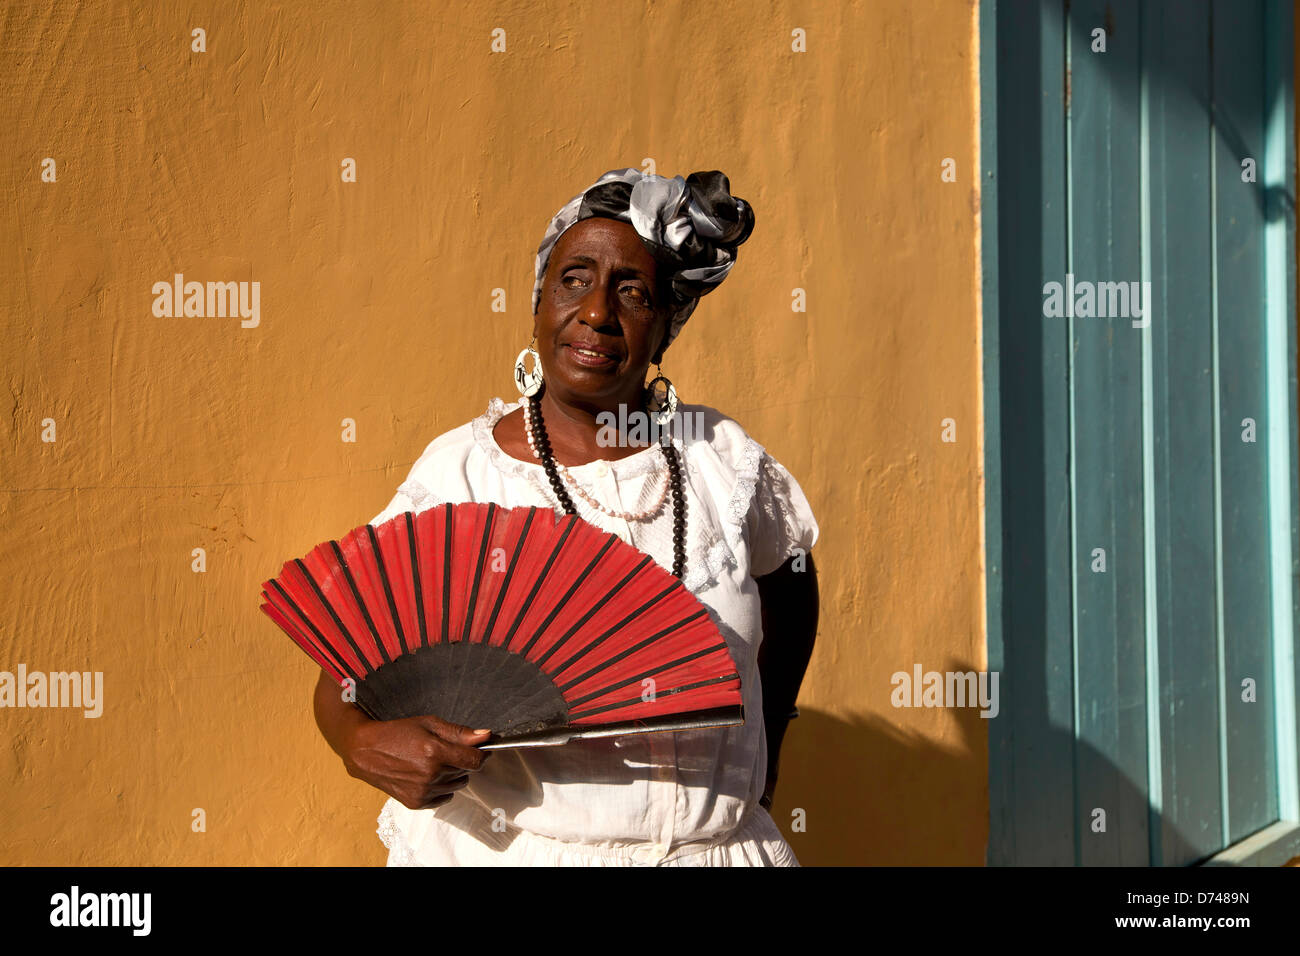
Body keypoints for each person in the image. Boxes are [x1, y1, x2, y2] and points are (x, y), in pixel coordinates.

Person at [313, 167, 821, 866]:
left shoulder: (722, 462)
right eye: (573, 280)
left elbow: (790, 583)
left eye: (632, 292)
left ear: (665, 326)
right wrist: (358, 743)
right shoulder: (463, 474)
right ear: (538, 306)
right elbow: (346, 664)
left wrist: (772, 744)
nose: (597, 313)